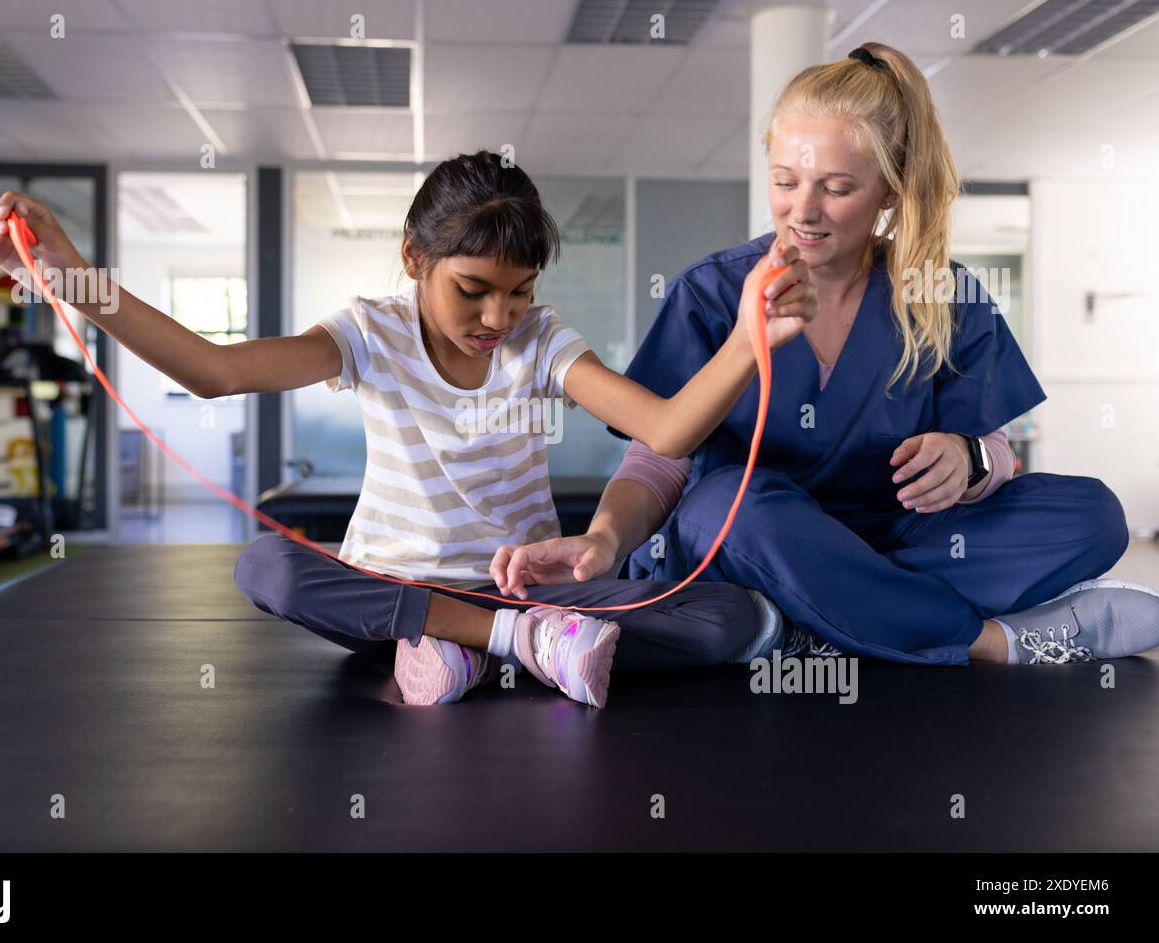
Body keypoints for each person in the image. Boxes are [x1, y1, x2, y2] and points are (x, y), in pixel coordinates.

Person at [0, 151, 817, 707]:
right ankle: (501, 645)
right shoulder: (370, 333)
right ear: (414, 259)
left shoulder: (541, 339)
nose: (497, 314)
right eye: (473, 288)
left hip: (523, 590)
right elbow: (212, 371)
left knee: (732, 621)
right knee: (268, 566)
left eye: (517, 290)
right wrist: (72, 278)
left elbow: (665, 428)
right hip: (389, 597)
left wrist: (747, 340)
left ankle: (475, 646)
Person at [490, 43, 1159, 667]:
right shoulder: (716, 292)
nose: (801, 211)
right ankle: (993, 641)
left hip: (897, 540)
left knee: (1094, 516)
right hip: (759, 537)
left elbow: (996, 445)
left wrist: (971, 458)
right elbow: (657, 454)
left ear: (889, 193)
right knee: (726, 508)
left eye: (836, 188)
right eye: (785, 181)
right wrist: (605, 539)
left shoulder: (942, 293)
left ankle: (823, 614)